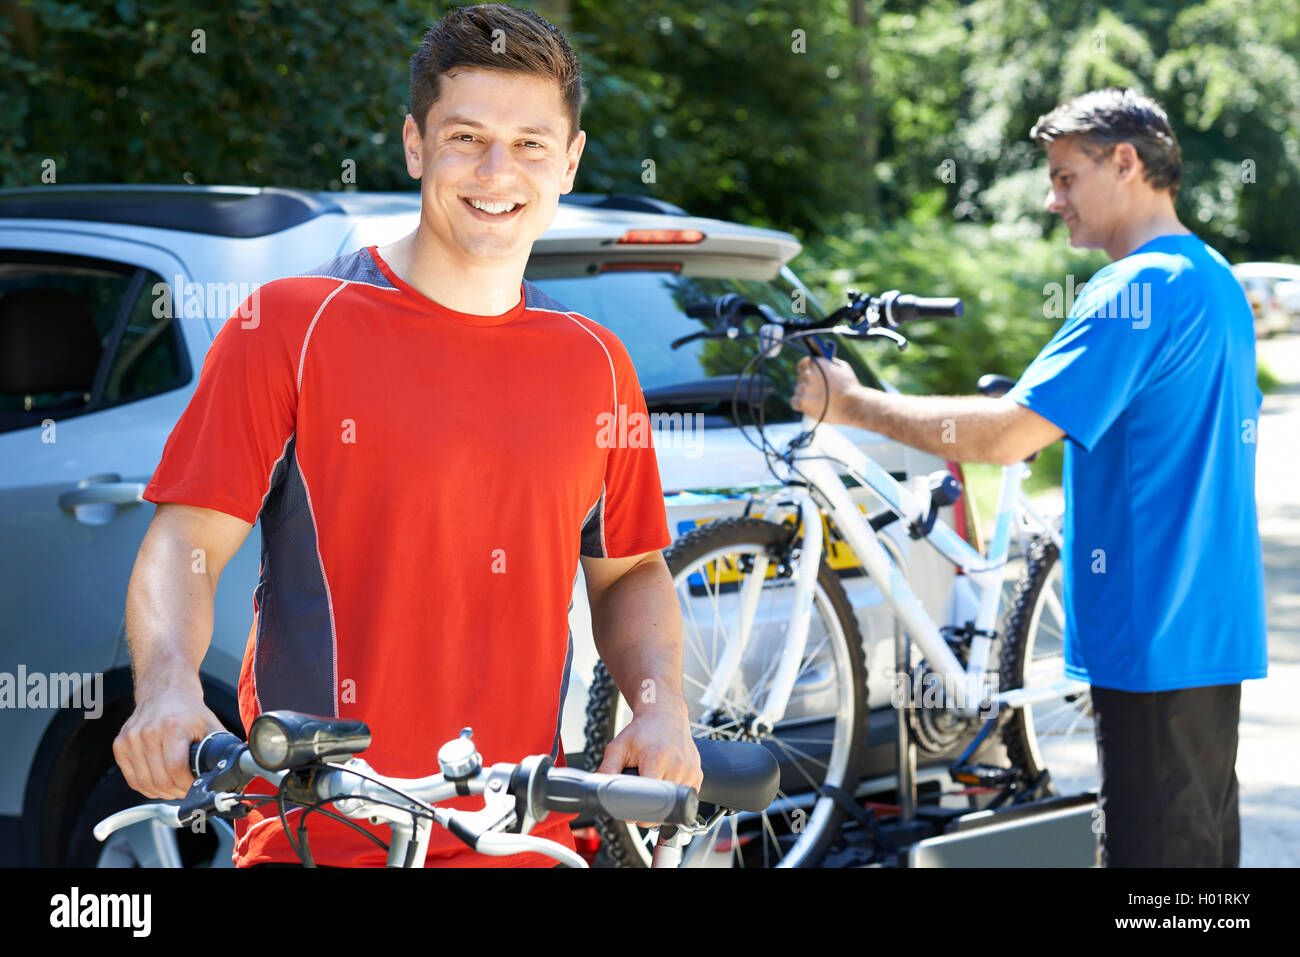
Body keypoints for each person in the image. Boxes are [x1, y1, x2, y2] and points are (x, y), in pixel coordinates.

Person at [112, 3, 701, 867]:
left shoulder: (597, 362)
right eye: (465, 136)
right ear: (416, 145)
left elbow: (630, 571)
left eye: (532, 143)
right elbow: (187, 536)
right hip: (320, 834)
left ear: (569, 162)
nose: (498, 170)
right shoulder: (289, 326)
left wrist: (660, 704)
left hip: (525, 836)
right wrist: (164, 684)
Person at [791, 87, 1266, 867]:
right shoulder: (1212, 277)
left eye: (1066, 177)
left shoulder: (1134, 289)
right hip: (1209, 628)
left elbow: (1010, 433)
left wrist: (856, 403)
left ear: (1126, 161)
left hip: (1152, 634)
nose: (1052, 200)